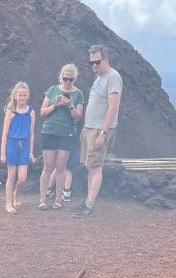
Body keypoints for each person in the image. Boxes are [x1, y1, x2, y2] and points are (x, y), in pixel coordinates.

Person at [73, 45, 122, 217]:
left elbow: (112, 108)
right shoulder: (98, 77)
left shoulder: (113, 77)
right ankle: (88, 201)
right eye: (91, 62)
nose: (94, 65)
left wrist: (103, 133)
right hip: (90, 128)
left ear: (106, 59)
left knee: (95, 167)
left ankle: (89, 205)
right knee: (90, 166)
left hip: (99, 129)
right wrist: (86, 128)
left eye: (97, 62)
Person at [37, 65, 83, 210]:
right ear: (61, 77)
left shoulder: (78, 94)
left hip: (66, 133)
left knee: (61, 167)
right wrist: (55, 105)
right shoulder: (52, 90)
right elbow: (42, 112)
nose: (68, 82)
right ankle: (43, 200)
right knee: (48, 166)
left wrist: (70, 105)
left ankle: (58, 200)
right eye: (65, 79)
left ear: (74, 79)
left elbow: (77, 117)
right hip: (49, 130)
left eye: (71, 79)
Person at [0, 82, 35, 214]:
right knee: (11, 175)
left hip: (24, 146)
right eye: (20, 95)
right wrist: (3, 153)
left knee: (22, 178)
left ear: (28, 96)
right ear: (15, 96)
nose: (22, 97)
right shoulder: (11, 112)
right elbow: (4, 133)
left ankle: (16, 194)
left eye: (24, 95)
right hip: (12, 145)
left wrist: (31, 151)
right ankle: (8, 203)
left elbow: (32, 133)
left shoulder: (31, 113)